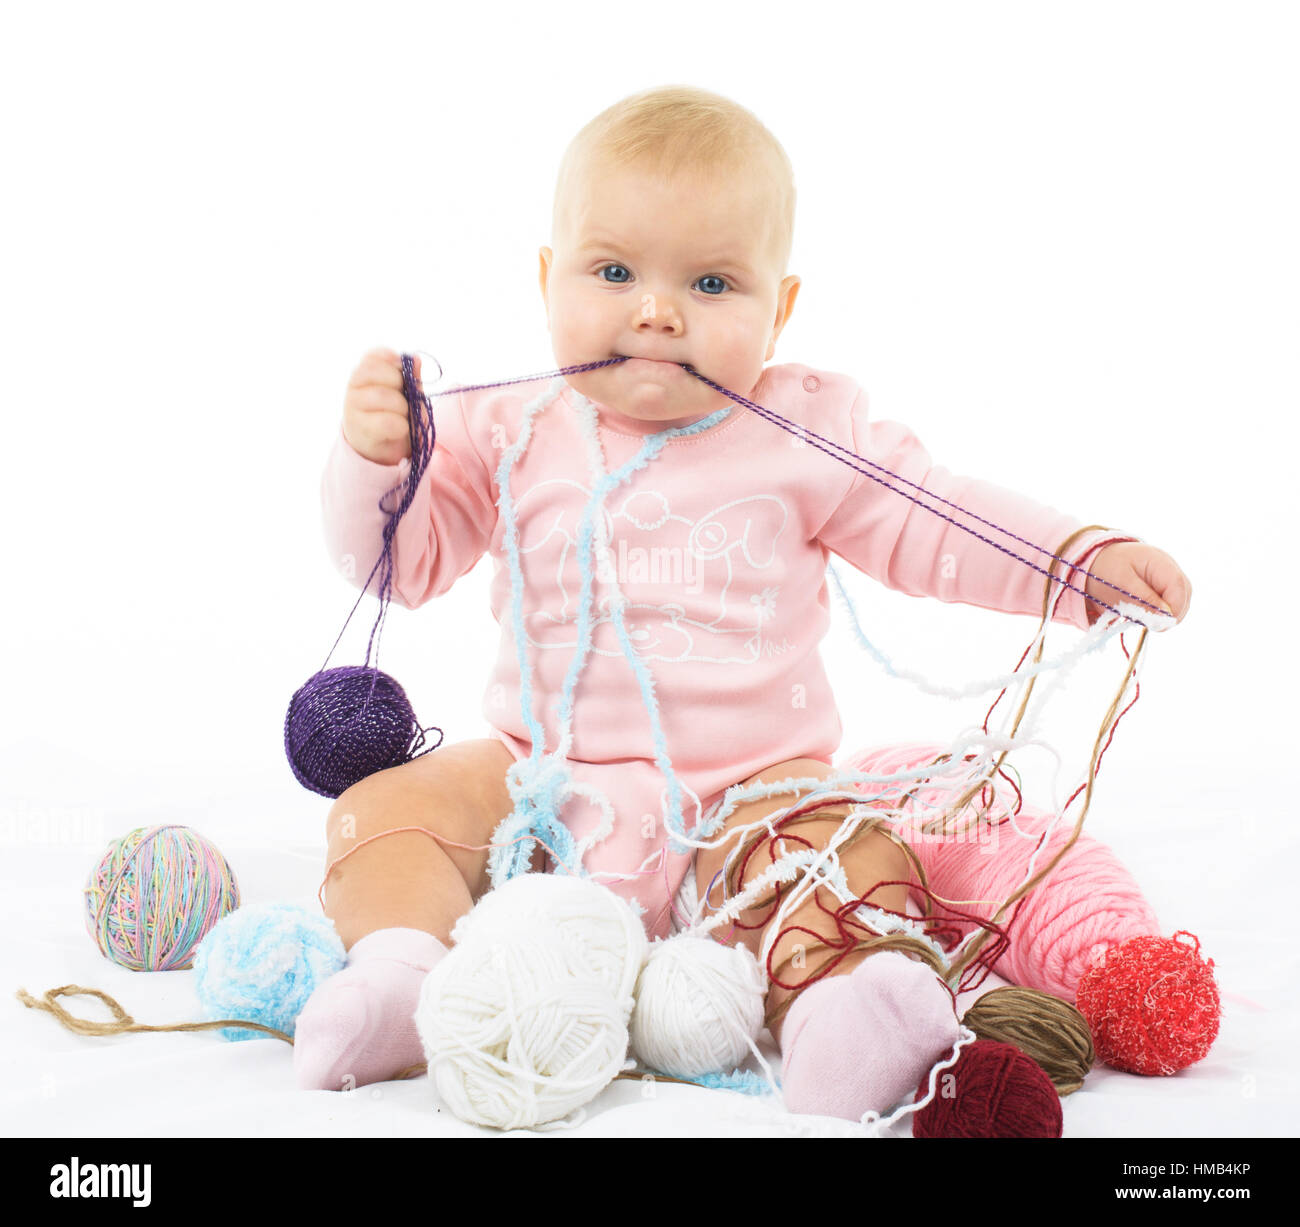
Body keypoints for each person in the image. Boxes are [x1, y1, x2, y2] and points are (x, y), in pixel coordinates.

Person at [295, 84, 1193, 1120]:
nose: (656, 309)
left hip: (753, 794)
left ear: (782, 307)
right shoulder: (506, 426)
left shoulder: (802, 430)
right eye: (613, 271)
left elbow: (938, 521)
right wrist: (374, 462)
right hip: (532, 782)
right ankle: (404, 981)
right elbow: (399, 568)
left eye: (712, 281)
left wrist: (1076, 562)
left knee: (855, 860)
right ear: (548, 278)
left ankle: (844, 1018)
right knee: (386, 810)